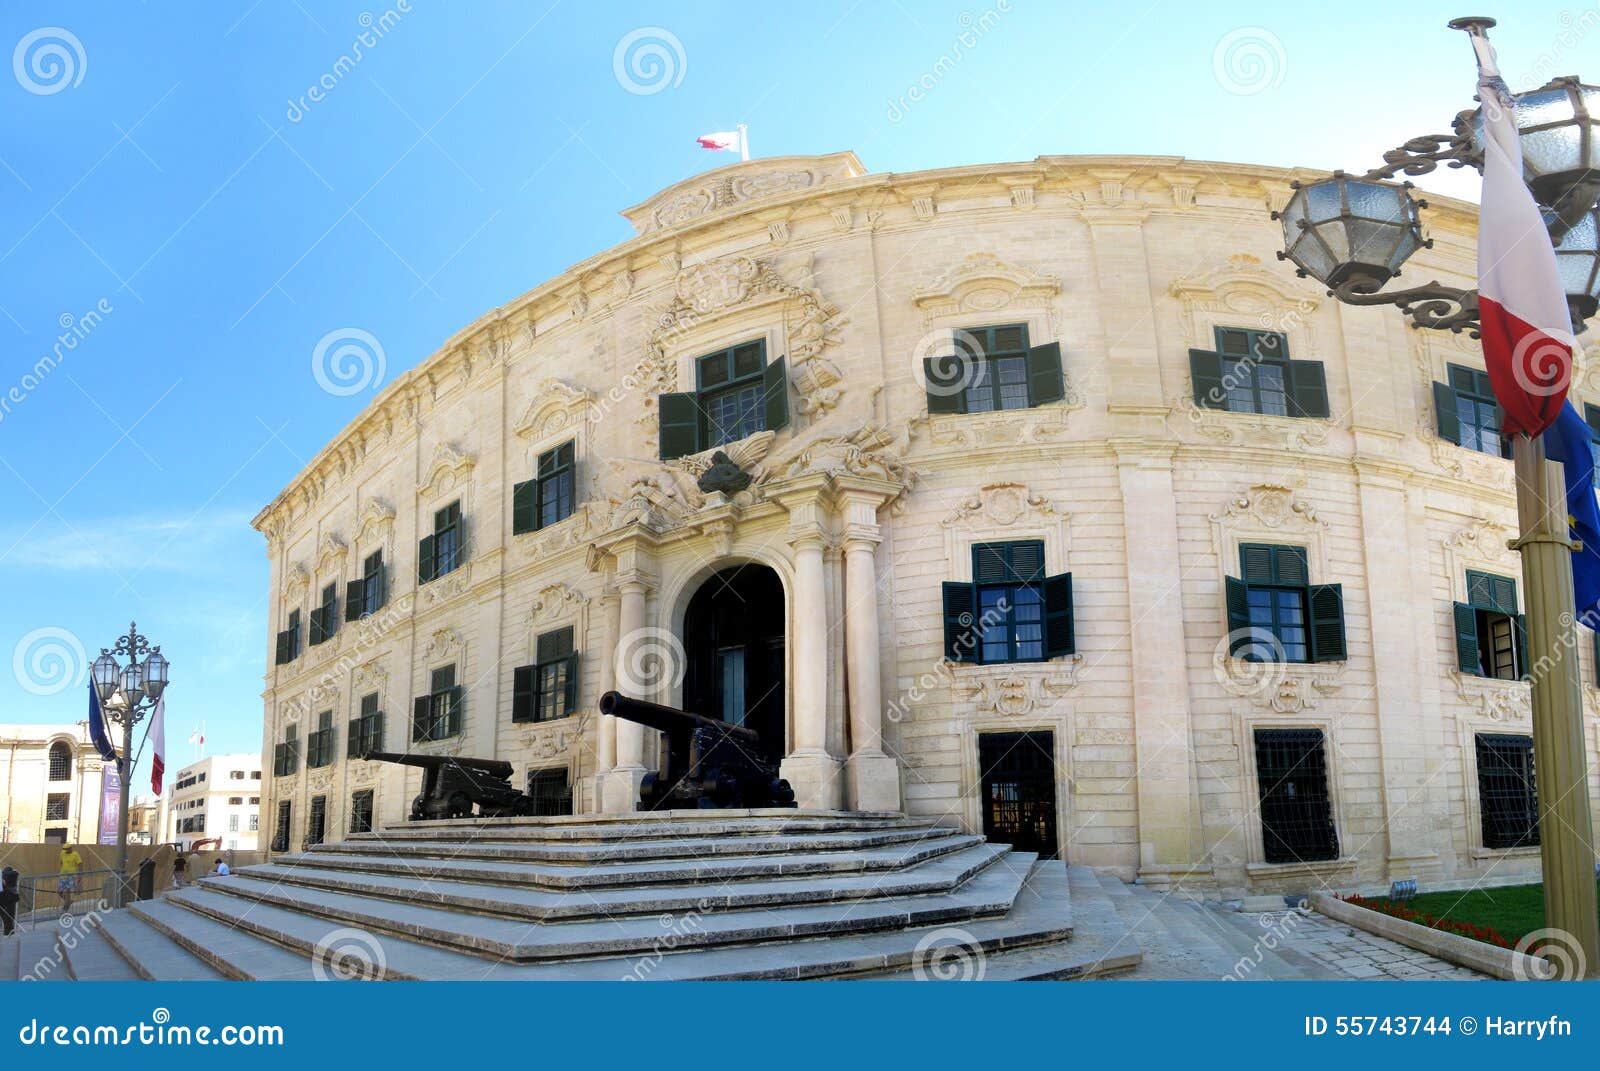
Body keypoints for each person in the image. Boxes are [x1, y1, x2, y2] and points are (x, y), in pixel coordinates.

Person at [56, 844, 82, 914]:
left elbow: (80, 864)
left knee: (67, 891)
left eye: (67, 849)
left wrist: (80, 875)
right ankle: (68, 901)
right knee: (59, 891)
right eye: (64, 849)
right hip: (63, 875)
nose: (65, 851)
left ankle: (66, 907)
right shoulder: (62, 853)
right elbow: (61, 863)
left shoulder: (75, 854)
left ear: (70, 848)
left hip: (71, 876)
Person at [0, 867, 19, 936]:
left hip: (7, 900)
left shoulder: (8, 875)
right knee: (9, 921)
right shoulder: (13, 874)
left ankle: (8, 934)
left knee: (8, 921)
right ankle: (9, 934)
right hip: (7, 899)